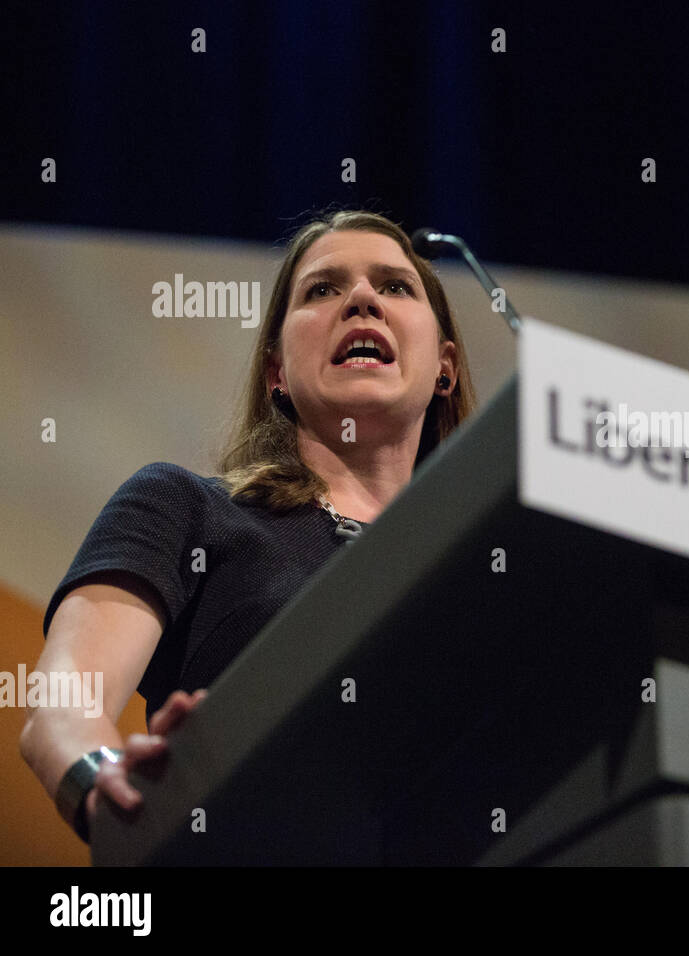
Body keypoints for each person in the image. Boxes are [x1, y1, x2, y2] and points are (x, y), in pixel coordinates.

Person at [19, 210, 476, 843]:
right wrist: (105, 777)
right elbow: (65, 700)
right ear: (277, 374)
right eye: (323, 289)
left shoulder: (487, 565)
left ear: (444, 367)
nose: (363, 300)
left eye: (396, 286)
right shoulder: (183, 508)